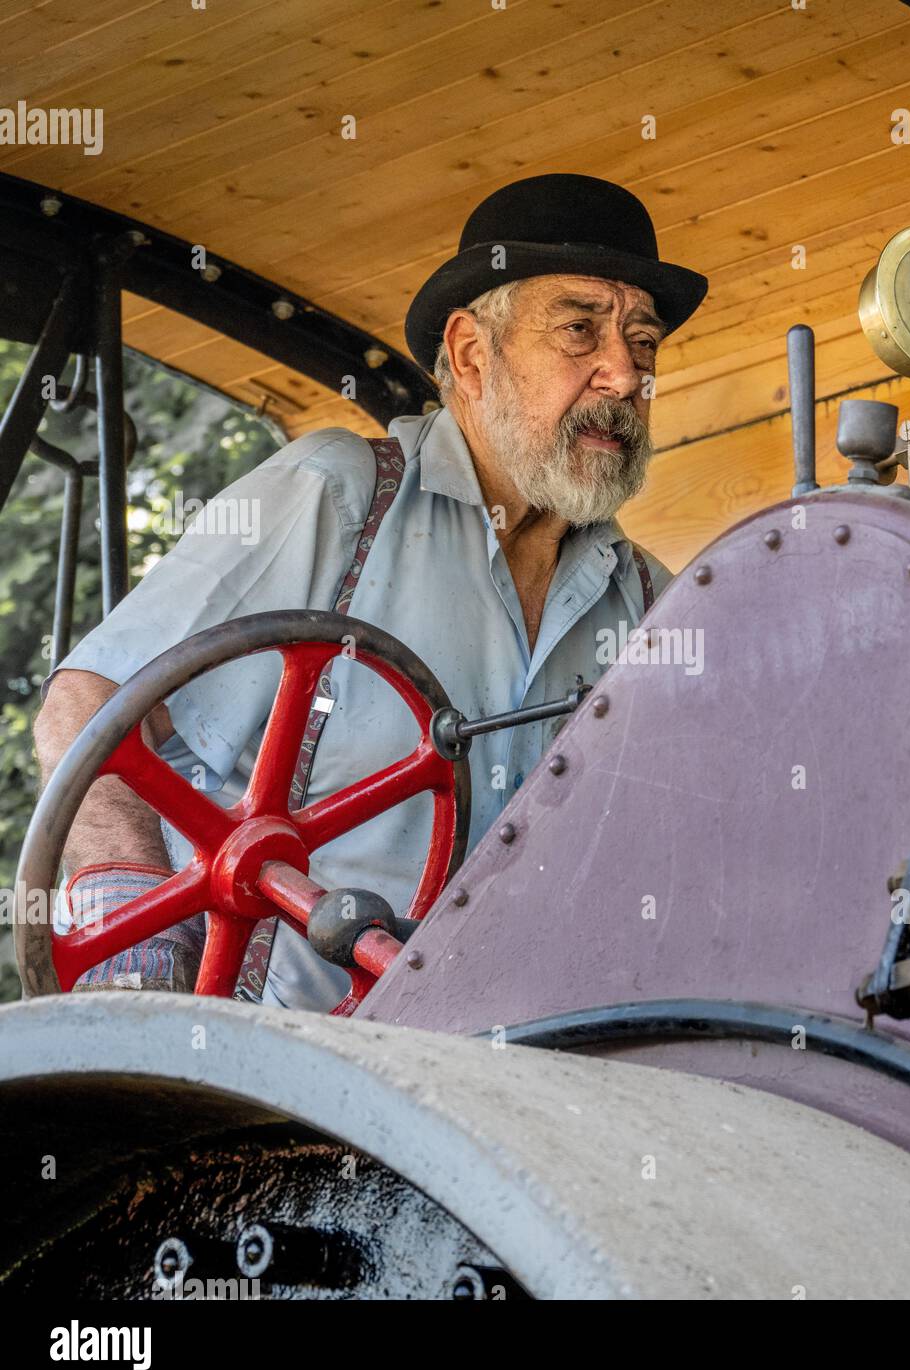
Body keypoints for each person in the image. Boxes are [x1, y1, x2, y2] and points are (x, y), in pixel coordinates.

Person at [33, 173, 708, 1011]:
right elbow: (90, 703)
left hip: (512, 1087)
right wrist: (129, 921)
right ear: (471, 356)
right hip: (265, 1073)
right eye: (580, 331)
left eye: (643, 345)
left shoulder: (654, 605)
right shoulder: (337, 497)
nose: (623, 376)